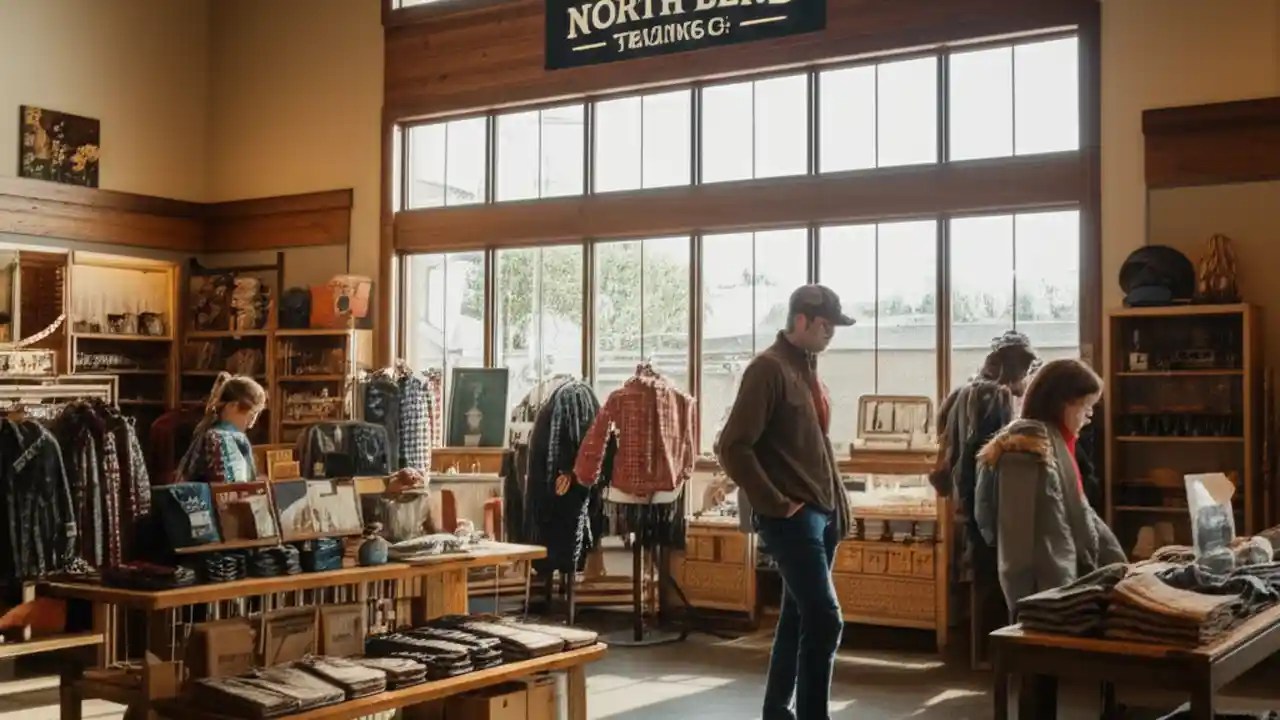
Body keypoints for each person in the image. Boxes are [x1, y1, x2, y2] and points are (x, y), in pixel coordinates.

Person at [716, 284, 853, 720]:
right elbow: (732, 445)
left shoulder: (807, 371)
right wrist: (774, 502)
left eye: (834, 326)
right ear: (800, 321)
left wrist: (838, 507)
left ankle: (777, 710)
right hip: (792, 519)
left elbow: (818, 448)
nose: (831, 333)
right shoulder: (768, 370)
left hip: (820, 516)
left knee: (798, 618)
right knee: (824, 619)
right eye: (825, 325)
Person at [974, 358, 1126, 612]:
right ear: (1062, 404)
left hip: (1066, 589)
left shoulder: (1056, 446)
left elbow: (1081, 516)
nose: (1089, 417)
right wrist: (1045, 606)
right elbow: (1021, 545)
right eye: (1086, 407)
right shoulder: (1024, 454)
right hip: (1048, 596)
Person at [175, 373, 266, 484]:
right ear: (232, 406)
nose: (251, 424)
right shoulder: (222, 438)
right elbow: (231, 486)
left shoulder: (209, 432)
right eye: (250, 414)